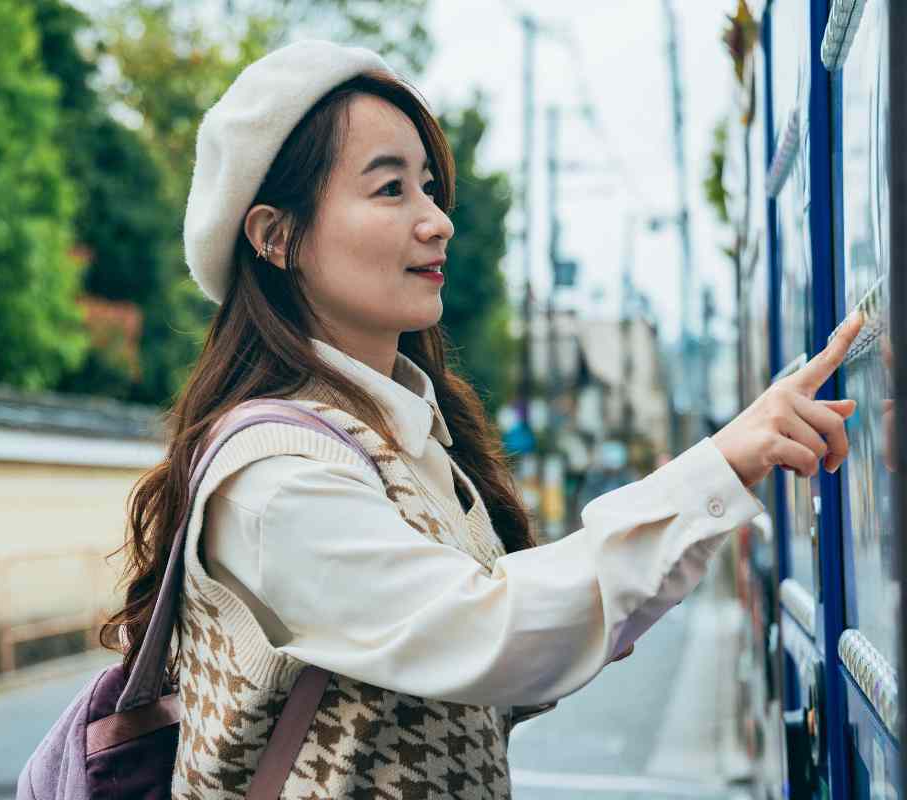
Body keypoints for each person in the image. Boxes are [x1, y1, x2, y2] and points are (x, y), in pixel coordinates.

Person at [102, 39, 864, 798]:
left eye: (429, 188)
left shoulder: (404, 438)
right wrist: (720, 465)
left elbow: (499, 668)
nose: (437, 222)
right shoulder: (275, 479)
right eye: (390, 190)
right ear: (276, 236)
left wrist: (609, 602)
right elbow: (489, 632)